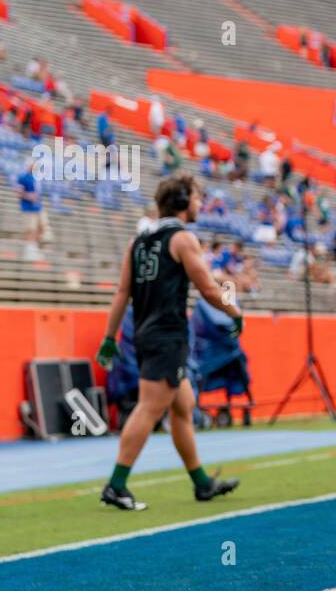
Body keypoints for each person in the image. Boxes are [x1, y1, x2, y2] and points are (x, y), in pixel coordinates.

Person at [94, 173, 244, 511]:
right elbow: (207, 288)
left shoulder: (139, 241)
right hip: (168, 334)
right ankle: (116, 485)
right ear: (180, 201)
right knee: (150, 407)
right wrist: (235, 313)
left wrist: (109, 337)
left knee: (182, 405)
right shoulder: (182, 238)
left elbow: (122, 293)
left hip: (146, 333)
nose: (199, 203)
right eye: (195, 197)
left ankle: (202, 483)